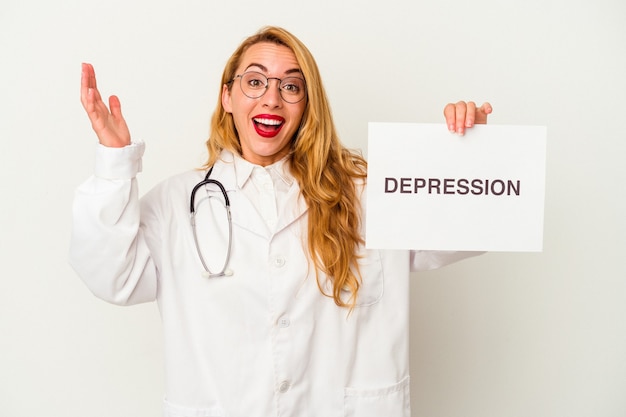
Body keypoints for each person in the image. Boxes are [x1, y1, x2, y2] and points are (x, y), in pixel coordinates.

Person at [70, 26, 492, 417]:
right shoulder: (178, 204)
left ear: (307, 105)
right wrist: (114, 163)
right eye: (254, 82)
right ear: (227, 97)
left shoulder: (367, 193)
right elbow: (112, 277)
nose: (271, 98)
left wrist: (468, 152)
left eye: (291, 86)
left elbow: (466, 231)